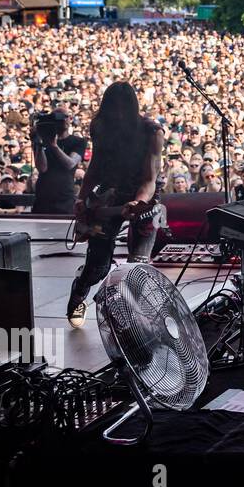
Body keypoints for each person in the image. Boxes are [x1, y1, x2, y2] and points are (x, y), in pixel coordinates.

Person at [65, 82, 165, 328]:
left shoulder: (152, 132)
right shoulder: (101, 127)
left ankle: (130, 320)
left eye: (123, 109)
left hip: (144, 198)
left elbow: (150, 178)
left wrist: (138, 202)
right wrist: (82, 197)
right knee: (97, 266)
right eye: (113, 109)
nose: (118, 115)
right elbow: (95, 167)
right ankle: (80, 289)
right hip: (108, 196)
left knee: (138, 266)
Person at [30, 109, 86, 215]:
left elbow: (70, 164)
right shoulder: (42, 139)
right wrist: (39, 144)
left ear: (70, 119)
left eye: (66, 117)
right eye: (59, 118)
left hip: (64, 196)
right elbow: (42, 168)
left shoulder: (78, 142)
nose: (63, 120)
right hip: (43, 196)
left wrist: (53, 146)